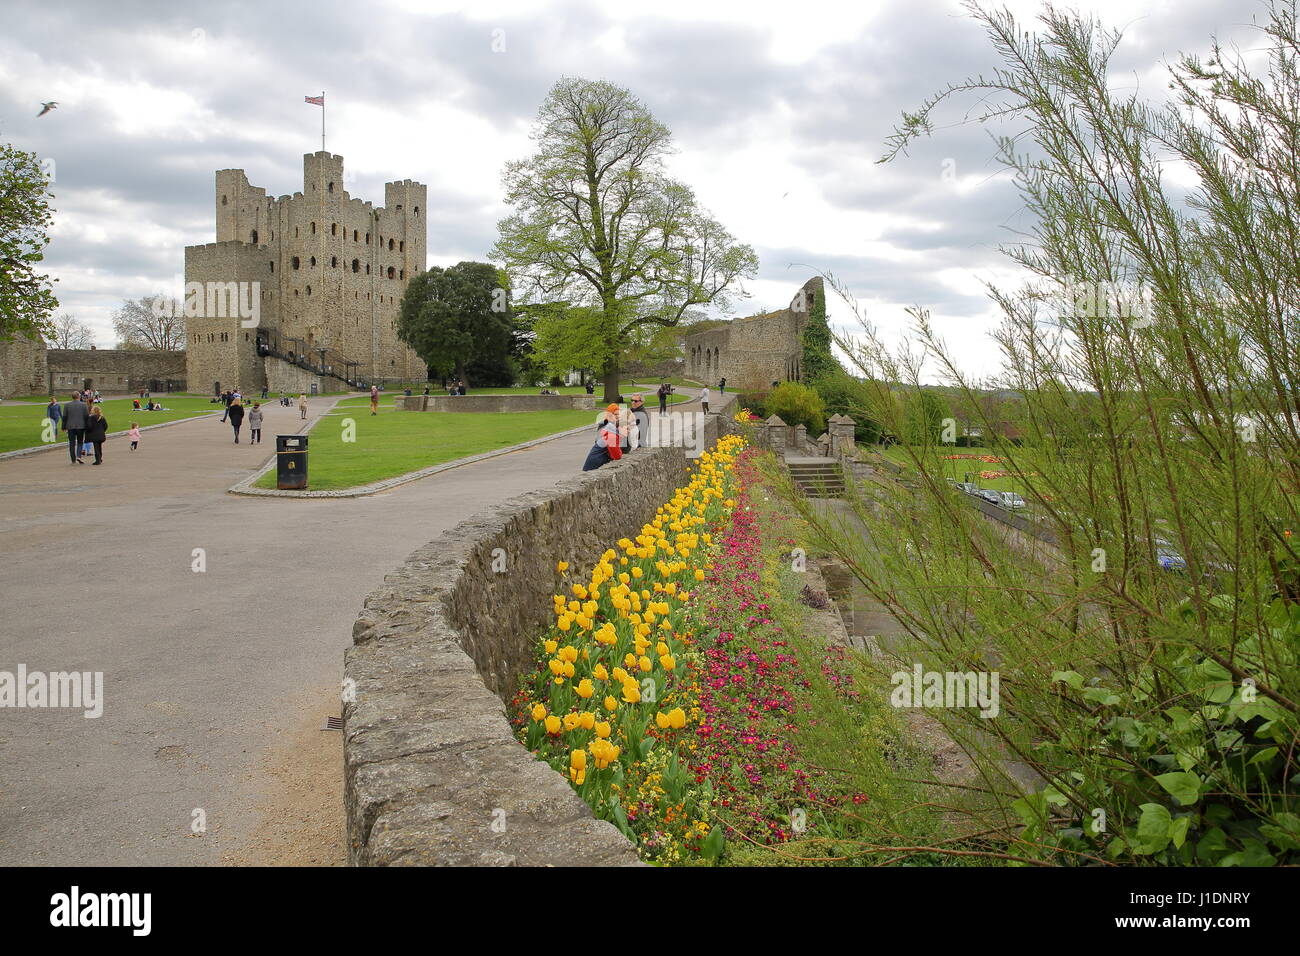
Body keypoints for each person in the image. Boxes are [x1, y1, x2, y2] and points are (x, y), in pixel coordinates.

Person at [582, 405, 624, 472]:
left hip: (597, 461)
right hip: (596, 464)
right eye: (615, 414)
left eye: (619, 414)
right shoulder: (608, 428)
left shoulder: (611, 426)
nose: (618, 416)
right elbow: (616, 455)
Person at [62, 393, 89, 464]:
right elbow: (86, 416)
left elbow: (64, 417)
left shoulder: (67, 405)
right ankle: (78, 456)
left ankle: (73, 459)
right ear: (78, 397)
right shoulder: (84, 405)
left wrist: (63, 427)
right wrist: (87, 426)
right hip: (81, 426)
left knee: (72, 443)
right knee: (80, 442)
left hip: (70, 426)